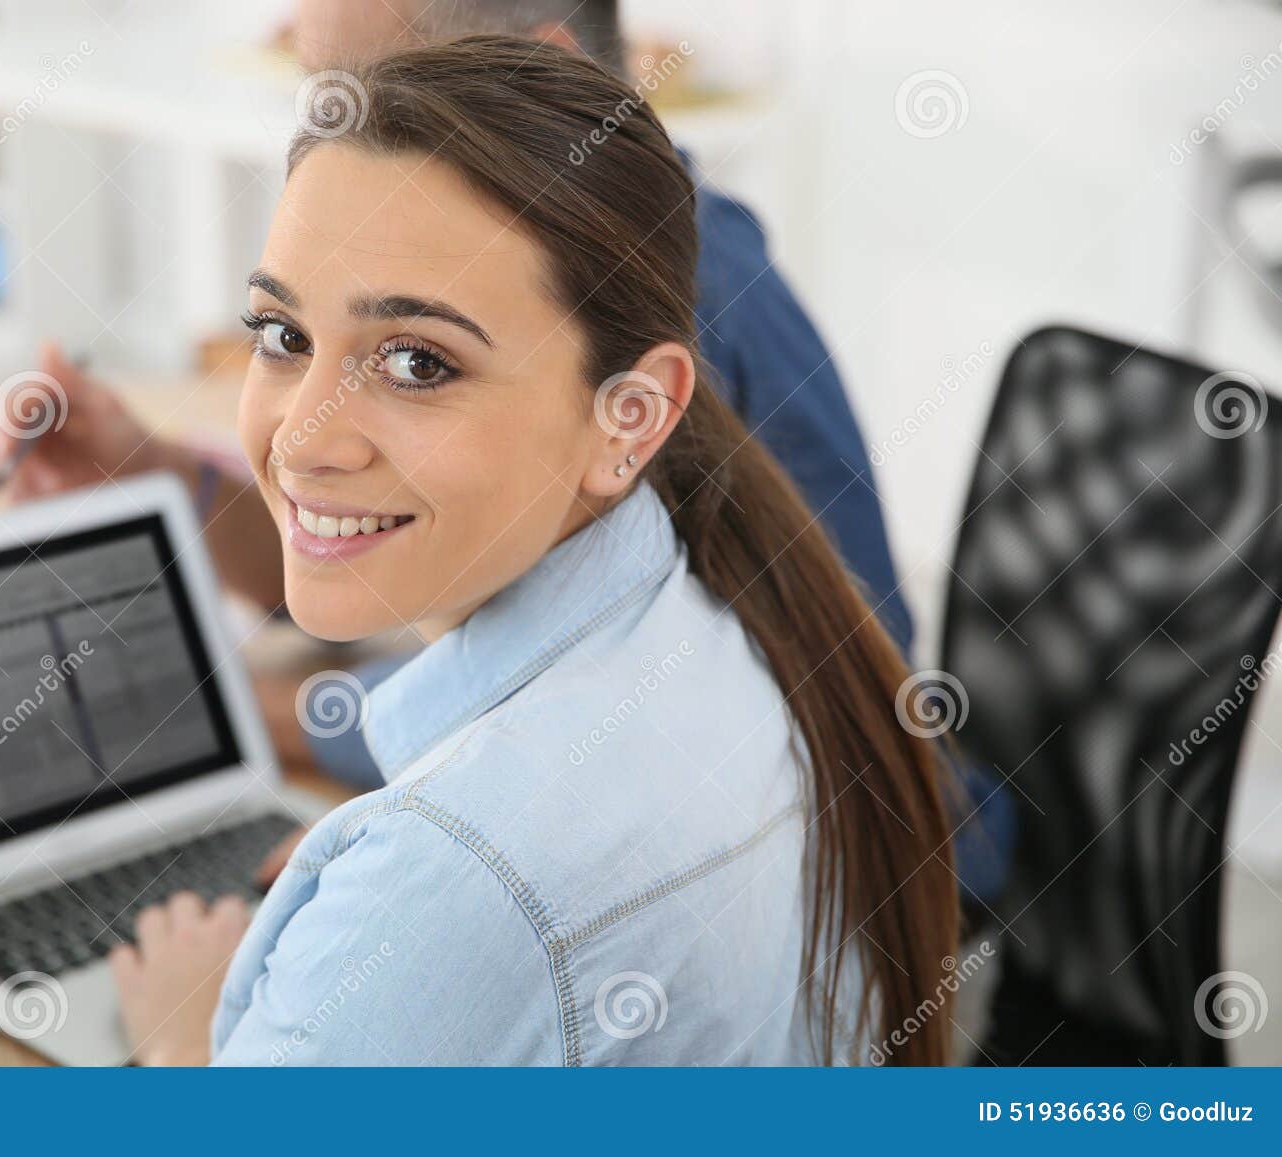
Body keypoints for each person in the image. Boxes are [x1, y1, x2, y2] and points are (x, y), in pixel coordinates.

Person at [103, 36, 958, 1066]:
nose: (300, 437)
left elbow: (487, 899)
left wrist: (180, 1035)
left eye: (418, 361)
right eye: (282, 334)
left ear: (629, 419)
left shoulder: (462, 880)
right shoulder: (721, 629)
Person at [0, 0, 918, 793]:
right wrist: (161, 474)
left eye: (374, 95)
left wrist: (241, 712)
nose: (333, 144)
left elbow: (582, 724)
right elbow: (386, 552)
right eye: (318, 97)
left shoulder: (633, 328)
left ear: (546, 88)